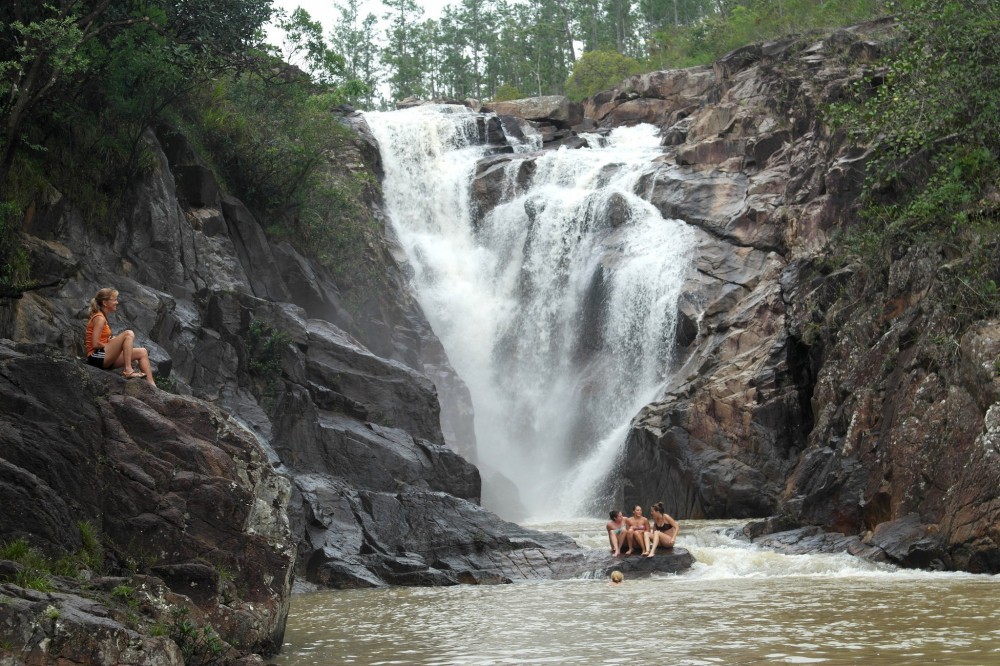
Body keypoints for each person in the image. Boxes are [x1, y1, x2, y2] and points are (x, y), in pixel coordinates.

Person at [85, 288, 155, 385]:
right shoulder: (99, 318)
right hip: (96, 357)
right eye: (114, 300)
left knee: (143, 352)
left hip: (104, 357)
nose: (117, 302)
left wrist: (111, 343)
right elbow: (95, 344)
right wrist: (112, 345)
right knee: (128, 333)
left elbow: (101, 340)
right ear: (105, 303)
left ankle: (152, 386)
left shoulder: (102, 317)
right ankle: (128, 370)